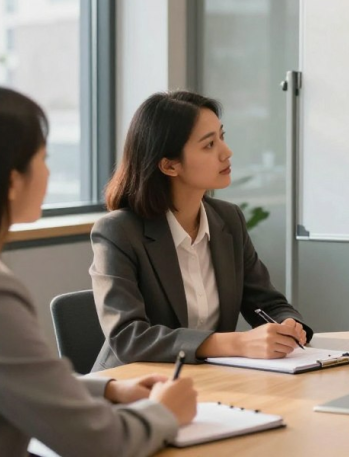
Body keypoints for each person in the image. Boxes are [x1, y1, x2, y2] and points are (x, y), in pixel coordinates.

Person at [0, 83, 197, 457]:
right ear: (12, 182)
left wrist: (109, 389)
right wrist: (162, 412)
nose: (48, 173)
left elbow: (13, 379)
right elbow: (99, 443)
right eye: (43, 159)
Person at [90, 91, 311, 370]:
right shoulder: (118, 232)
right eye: (209, 145)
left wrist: (288, 325)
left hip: (205, 380)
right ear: (170, 165)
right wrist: (237, 344)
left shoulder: (228, 219)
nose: (226, 151)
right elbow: (130, 338)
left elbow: (267, 302)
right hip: (131, 387)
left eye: (222, 136)